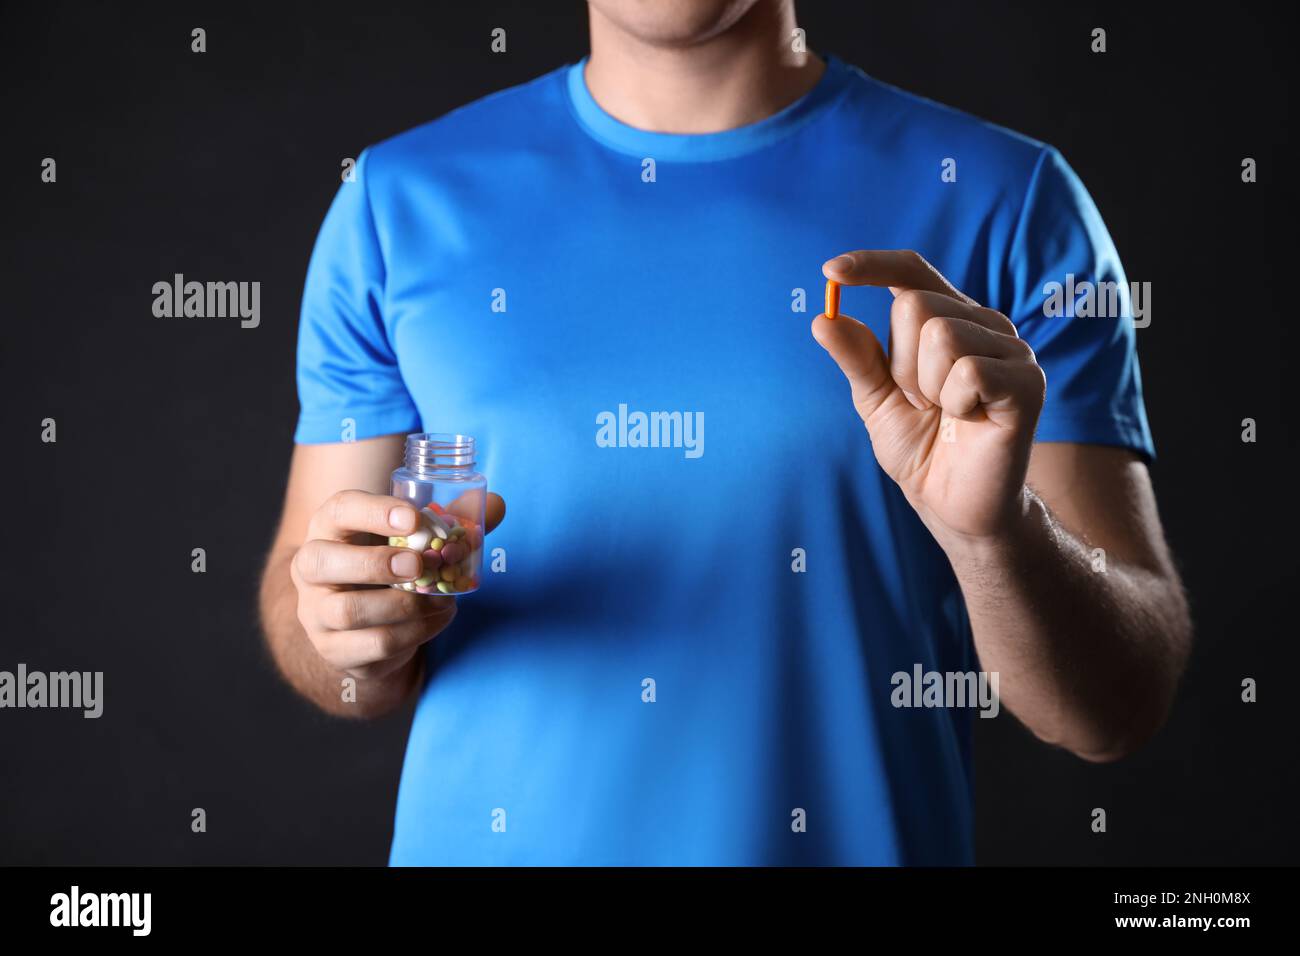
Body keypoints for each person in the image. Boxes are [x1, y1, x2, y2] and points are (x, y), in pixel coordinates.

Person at [259, 0, 1191, 865]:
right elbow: (320, 619)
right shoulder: (395, 201)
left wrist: (999, 532)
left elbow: (1113, 710)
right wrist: (348, 630)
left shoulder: (1011, 201)